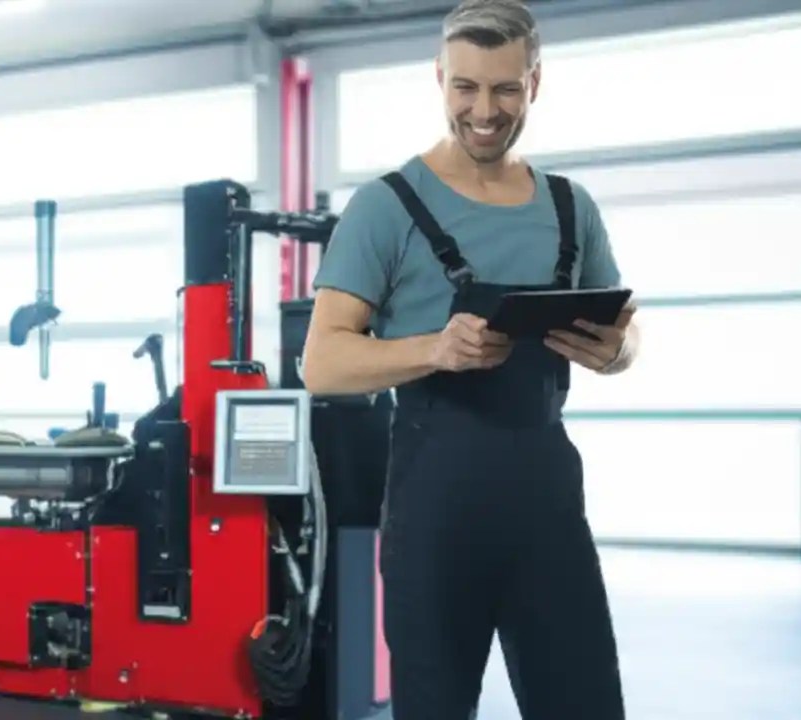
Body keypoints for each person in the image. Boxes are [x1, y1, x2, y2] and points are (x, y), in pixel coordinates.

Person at [301, 1, 641, 718]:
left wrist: (618, 351)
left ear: (535, 83)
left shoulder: (571, 207)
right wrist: (434, 347)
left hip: (549, 506)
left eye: (506, 89)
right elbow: (321, 362)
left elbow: (627, 333)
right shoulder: (386, 207)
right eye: (466, 87)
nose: (485, 110)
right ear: (440, 79)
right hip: (435, 516)